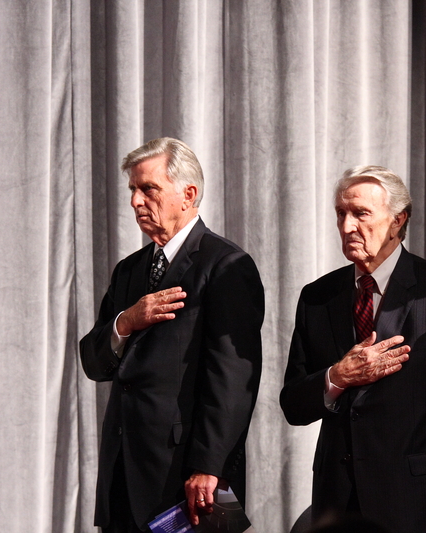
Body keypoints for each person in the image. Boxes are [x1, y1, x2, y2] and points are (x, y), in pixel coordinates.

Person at [280, 165, 426, 533]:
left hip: (413, 499)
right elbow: (293, 404)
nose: (346, 227)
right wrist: (336, 377)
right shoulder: (317, 297)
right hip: (336, 500)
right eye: (341, 214)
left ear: (397, 220)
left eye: (360, 213)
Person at [80, 138, 264, 532]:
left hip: (186, 477)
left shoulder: (226, 265)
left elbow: (232, 379)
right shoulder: (129, 270)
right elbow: (94, 362)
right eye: (132, 190)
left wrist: (209, 465)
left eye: (148, 189)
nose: (135, 202)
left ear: (188, 194)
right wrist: (126, 321)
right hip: (123, 470)